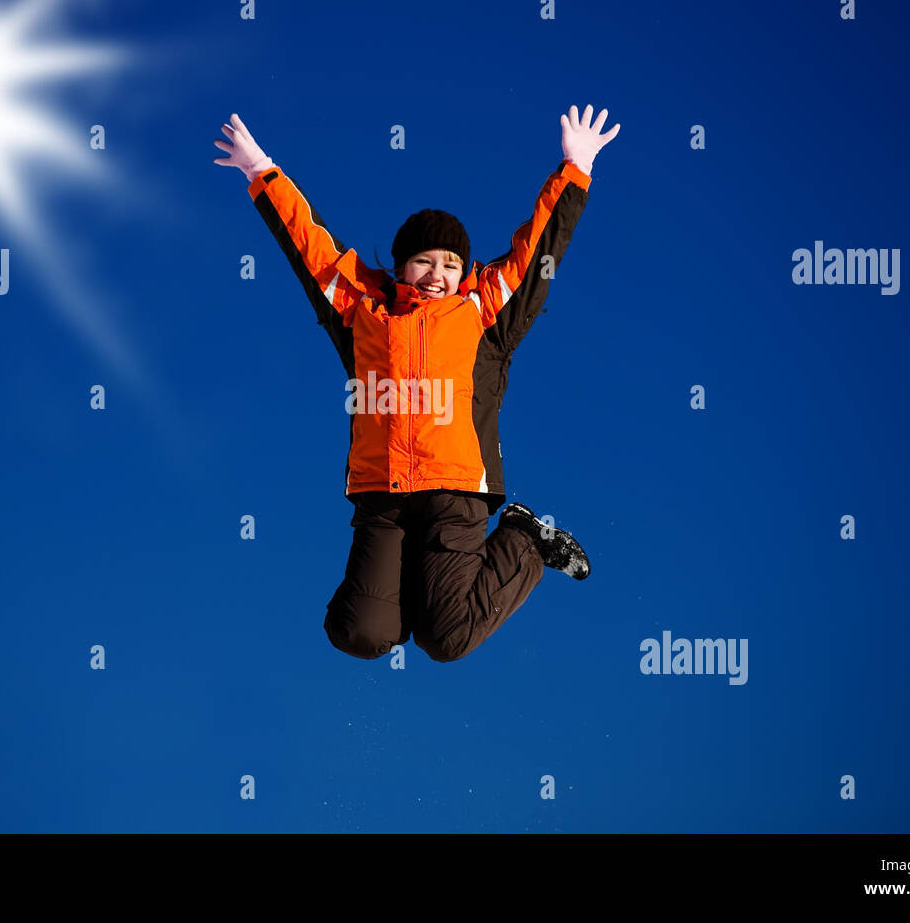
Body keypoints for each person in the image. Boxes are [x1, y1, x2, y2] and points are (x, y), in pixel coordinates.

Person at [213, 105, 620, 662]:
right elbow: (309, 251)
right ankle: (412, 599)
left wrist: (574, 170)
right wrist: (261, 171)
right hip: (382, 496)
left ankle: (525, 538)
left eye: (450, 264)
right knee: (361, 631)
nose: (437, 275)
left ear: (464, 272)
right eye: (423, 263)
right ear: (400, 268)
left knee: (446, 638)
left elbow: (535, 254)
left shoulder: (483, 313)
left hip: (455, 493)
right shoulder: (362, 313)